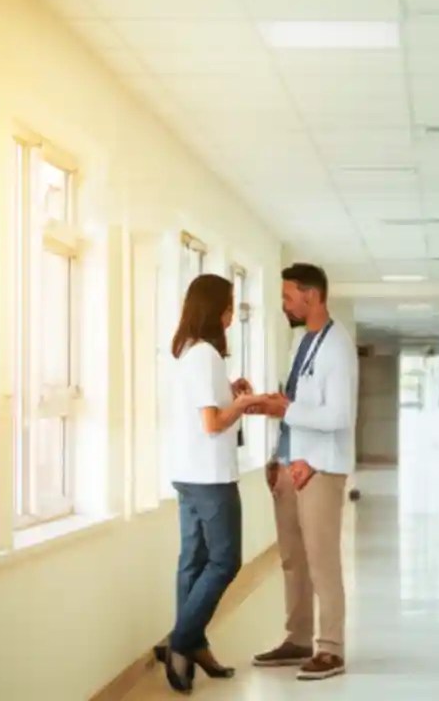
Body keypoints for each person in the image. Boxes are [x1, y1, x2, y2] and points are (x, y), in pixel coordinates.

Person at [250, 263, 358, 681]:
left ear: (311, 296)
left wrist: (287, 409)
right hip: (290, 466)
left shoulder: (337, 346)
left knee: (321, 561)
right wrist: (274, 441)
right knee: (293, 559)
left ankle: (330, 648)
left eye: (288, 298)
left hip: (319, 471)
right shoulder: (301, 343)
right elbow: (295, 403)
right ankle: (297, 638)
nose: (284, 305)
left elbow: (339, 415)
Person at [162, 273, 260, 693]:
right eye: (229, 305)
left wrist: (229, 393)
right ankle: (180, 641)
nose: (231, 315)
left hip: (188, 473)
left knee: (194, 561)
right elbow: (213, 423)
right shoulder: (205, 355)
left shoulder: (189, 352)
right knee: (225, 560)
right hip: (210, 477)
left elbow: (207, 409)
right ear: (214, 309)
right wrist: (242, 403)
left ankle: (192, 647)